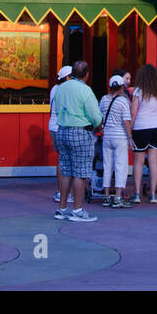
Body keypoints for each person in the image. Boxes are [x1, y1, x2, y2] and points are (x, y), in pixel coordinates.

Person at [53, 60, 102, 223]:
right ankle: (78, 209)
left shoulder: (61, 88)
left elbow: (57, 109)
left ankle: (61, 208)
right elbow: (95, 117)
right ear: (87, 74)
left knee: (66, 170)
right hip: (80, 131)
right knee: (80, 172)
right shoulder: (85, 90)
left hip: (62, 130)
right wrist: (98, 126)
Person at [128, 64, 157, 204]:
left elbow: (133, 113)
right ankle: (153, 194)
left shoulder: (138, 92)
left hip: (140, 127)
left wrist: (129, 131)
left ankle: (136, 193)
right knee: (154, 161)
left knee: (138, 163)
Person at [98, 73, 134, 208]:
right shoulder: (123, 101)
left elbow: (99, 118)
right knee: (121, 167)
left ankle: (106, 197)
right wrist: (130, 137)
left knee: (107, 166)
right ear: (121, 87)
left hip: (107, 136)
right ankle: (118, 197)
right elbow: (126, 121)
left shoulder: (103, 99)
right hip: (120, 137)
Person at [47, 65, 73, 204]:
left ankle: (60, 191)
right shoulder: (64, 90)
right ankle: (64, 193)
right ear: (67, 77)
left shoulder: (54, 89)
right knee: (65, 161)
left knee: (61, 160)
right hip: (61, 126)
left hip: (53, 125)